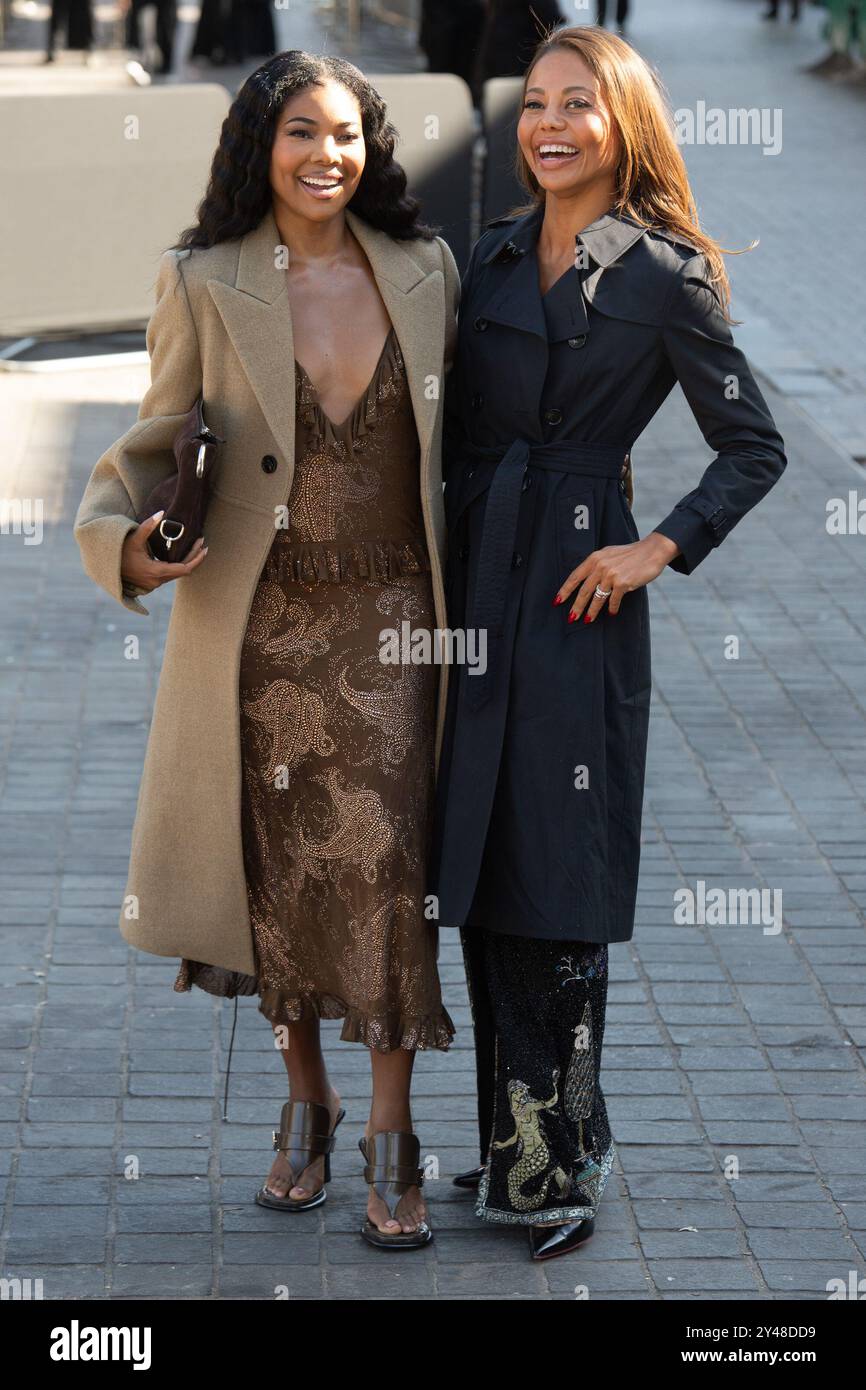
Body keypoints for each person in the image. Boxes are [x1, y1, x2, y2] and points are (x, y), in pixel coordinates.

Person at [73, 49, 461, 1251]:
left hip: (397, 618)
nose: (325, 156)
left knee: (389, 873)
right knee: (284, 876)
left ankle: (393, 1137)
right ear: (260, 144)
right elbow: (144, 448)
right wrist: (126, 547)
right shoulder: (202, 278)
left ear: (372, 146)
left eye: (345, 134)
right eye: (301, 133)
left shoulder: (427, 269)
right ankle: (307, 1104)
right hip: (260, 625)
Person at [431, 24, 786, 1261]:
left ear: (622, 119)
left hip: (575, 606)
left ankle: (558, 1163)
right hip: (473, 589)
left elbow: (754, 445)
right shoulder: (482, 256)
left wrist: (660, 546)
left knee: (556, 868)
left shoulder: (660, 272)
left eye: (577, 104)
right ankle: (509, 1145)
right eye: (533, 103)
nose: (548, 125)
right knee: (476, 865)